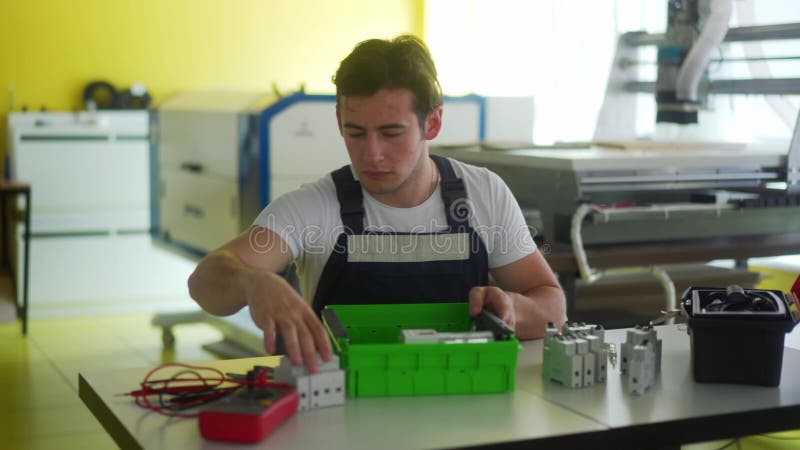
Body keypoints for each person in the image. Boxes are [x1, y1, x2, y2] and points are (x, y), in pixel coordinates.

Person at [188, 35, 566, 373]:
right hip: (342, 411)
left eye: (391, 133)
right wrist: (251, 281)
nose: (372, 155)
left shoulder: (484, 195)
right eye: (355, 133)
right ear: (339, 121)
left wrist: (514, 310)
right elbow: (205, 283)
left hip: (461, 400)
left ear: (431, 124)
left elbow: (553, 308)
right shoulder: (313, 208)